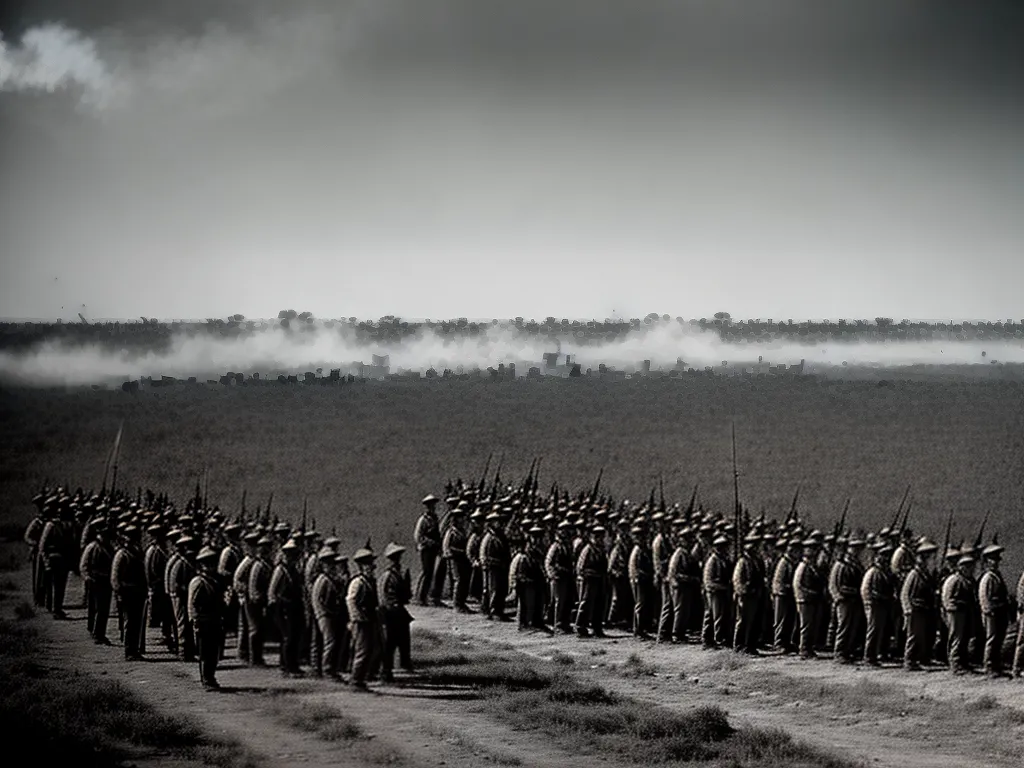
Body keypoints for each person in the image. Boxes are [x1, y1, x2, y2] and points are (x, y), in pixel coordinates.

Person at [347, 544, 382, 691]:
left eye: (371, 564)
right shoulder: (357, 582)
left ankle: (360, 678)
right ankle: (356, 680)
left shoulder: (370, 581)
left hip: (369, 620)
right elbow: (350, 601)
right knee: (362, 651)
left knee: (368, 650)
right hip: (361, 621)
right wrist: (357, 617)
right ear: (361, 566)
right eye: (367, 564)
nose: (371, 567)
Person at [189, 546, 224, 690]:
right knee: (205, 652)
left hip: (214, 620)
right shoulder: (198, 582)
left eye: (212, 563)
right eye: (206, 564)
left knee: (213, 652)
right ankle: (206, 679)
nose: (210, 566)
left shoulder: (214, 581)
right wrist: (195, 620)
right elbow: (192, 604)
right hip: (203, 621)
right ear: (201, 565)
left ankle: (211, 677)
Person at [901, 539, 938, 671]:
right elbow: (905, 594)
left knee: (924, 635)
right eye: (929, 557)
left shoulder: (926, 574)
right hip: (915, 611)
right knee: (914, 636)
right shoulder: (914, 574)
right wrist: (908, 610)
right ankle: (909, 660)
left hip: (924, 610)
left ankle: (922, 658)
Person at [269, 538, 305, 677]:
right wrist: (275, 607)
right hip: (283, 607)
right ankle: (286, 666)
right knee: (288, 637)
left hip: (294, 606)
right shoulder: (280, 570)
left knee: (295, 636)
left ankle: (293, 665)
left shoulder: (293, 569)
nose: (293, 557)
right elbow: (273, 590)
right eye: (290, 554)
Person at [111, 526, 147, 661]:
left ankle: (135, 649)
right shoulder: (122, 554)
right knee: (129, 623)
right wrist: (119, 593)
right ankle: (129, 650)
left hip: (138, 593)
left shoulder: (137, 552)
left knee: (137, 623)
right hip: (127, 594)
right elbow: (115, 577)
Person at [379, 542, 414, 681]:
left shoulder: (397, 573)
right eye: (395, 558)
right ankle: (386, 671)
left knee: (403, 640)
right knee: (390, 643)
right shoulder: (388, 576)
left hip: (397, 611)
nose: (397, 560)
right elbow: (385, 596)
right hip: (391, 612)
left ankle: (404, 664)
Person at [311, 549, 346, 681]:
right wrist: (325, 612)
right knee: (330, 641)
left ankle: (328, 668)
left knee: (329, 641)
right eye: (329, 563)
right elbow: (318, 600)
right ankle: (327, 669)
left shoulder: (329, 579)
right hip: (325, 615)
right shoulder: (323, 580)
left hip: (328, 614)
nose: (332, 565)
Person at [978, 540, 1011, 678]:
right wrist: (988, 611)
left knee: (998, 639)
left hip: (999, 612)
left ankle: (996, 664)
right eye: (993, 559)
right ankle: (989, 666)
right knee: (992, 639)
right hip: (992, 613)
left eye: (997, 559)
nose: (996, 561)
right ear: (986, 561)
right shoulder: (988, 577)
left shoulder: (996, 576)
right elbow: (984, 597)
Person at [831, 537, 866, 664]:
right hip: (845, 600)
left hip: (854, 600)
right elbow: (839, 586)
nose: (857, 551)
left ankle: (848, 651)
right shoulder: (841, 565)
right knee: (844, 626)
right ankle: (840, 652)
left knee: (853, 626)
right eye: (854, 548)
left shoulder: (856, 564)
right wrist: (854, 591)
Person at [861, 540, 896, 666]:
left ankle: (876, 654)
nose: (886, 558)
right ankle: (869, 657)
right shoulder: (873, 572)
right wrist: (884, 598)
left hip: (881, 605)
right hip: (874, 605)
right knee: (873, 631)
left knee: (879, 631)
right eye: (883, 555)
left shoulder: (883, 572)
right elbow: (869, 591)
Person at [941, 552, 976, 674]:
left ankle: (963, 662)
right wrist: (958, 606)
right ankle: (955, 663)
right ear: (961, 567)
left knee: (964, 637)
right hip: (956, 613)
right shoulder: (954, 580)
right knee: (956, 637)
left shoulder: (966, 581)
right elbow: (948, 599)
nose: (972, 570)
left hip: (964, 613)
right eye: (968, 567)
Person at [79, 520, 113, 645]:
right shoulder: (92, 547)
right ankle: (97, 633)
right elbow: (84, 564)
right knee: (96, 608)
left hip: (106, 581)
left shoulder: (109, 547)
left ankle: (100, 633)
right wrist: (87, 577)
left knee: (104, 609)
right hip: (95, 581)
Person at [667, 525, 700, 643]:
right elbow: (676, 574)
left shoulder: (685, 553)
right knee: (680, 610)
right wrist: (691, 579)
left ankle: (681, 633)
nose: (689, 541)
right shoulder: (679, 554)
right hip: (679, 586)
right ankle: (676, 634)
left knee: (684, 610)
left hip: (685, 585)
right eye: (687, 539)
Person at [733, 533, 764, 655]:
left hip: (755, 595)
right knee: (742, 621)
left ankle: (750, 646)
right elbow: (737, 581)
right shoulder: (742, 562)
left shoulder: (756, 561)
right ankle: (739, 646)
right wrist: (744, 591)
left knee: (753, 621)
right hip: (745, 596)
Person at [793, 537, 824, 659]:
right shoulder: (802, 567)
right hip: (805, 600)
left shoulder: (812, 566)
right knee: (806, 625)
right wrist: (809, 594)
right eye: (812, 549)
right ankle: (804, 649)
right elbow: (798, 585)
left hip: (811, 600)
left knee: (811, 625)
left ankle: (809, 648)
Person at [575, 525, 608, 638]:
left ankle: (597, 628)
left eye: (601, 536)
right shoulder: (588, 549)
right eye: (598, 536)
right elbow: (580, 567)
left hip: (600, 579)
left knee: (599, 604)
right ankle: (580, 627)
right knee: (586, 603)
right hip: (589, 580)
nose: (600, 539)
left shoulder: (602, 549)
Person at [246, 536, 274, 667]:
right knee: (255, 630)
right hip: (254, 602)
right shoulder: (258, 565)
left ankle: (258, 657)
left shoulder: (267, 564)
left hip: (261, 600)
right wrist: (258, 601)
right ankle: (254, 658)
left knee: (260, 630)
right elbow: (253, 586)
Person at [232, 532, 260, 663]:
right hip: (245, 598)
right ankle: (248, 654)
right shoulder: (248, 561)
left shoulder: (252, 560)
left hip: (245, 596)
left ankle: (244, 652)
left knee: (245, 627)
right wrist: (245, 591)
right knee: (249, 627)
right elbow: (237, 580)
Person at [546, 520, 576, 634]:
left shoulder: (568, 545)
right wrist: (553, 576)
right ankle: (557, 625)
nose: (566, 532)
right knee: (559, 602)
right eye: (563, 530)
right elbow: (549, 562)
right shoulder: (555, 546)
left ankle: (565, 623)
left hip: (567, 577)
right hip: (558, 578)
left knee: (567, 601)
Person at [702, 535, 732, 650]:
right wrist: (721, 587)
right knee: (715, 616)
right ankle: (716, 639)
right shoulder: (712, 561)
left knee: (716, 616)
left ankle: (711, 639)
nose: (725, 549)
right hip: (714, 592)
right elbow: (708, 581)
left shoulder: (722, 559)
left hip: (721, 591)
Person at [480, 511, 511, 621]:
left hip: (501, 567)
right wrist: (497, 563)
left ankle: (499, 610)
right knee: (493, 589)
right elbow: (485, 556)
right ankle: (494, 611)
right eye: (497, 521)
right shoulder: (489, 537)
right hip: (493, 568)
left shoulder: (500, 535)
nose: (500, 523)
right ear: (492, 523)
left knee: (501, 589)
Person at [772, 539, 800, 654]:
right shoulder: (783, 563)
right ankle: (779, 643)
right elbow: (779, 582)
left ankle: (787, 642)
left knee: (789, 619)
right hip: (782, 595)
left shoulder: (791, 562)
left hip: (789, 595)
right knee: (781, 619)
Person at [414, 495, 442, 606]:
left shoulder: (435, 518)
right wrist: (430, 542)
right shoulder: (423, 520)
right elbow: (418, 536)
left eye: (433, 505)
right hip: (426, 549)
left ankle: (426, 597)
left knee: (430, 573)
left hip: (433, 549)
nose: (432, 507)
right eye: (430, 505)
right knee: (426, 572)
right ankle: (420, 597)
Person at [442, 507, 471, 612]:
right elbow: (448, 547)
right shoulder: (451, 532)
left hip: (462, 558)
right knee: (458, 580)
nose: (462, 520)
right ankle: (457, 604)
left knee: (464, 580)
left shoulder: (462, 531)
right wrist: (460, 551)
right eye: (460, 518)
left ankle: (462, 602)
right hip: (454, 558)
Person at [629, 524, 655, 640]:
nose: (643, 539)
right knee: (640, 605)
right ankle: (638, 630)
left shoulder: (642, 549)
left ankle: (640, 629)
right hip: (638, 580)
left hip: (642, 580)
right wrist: (648, 575)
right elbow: (636, 570)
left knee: (642, 605)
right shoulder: (637, 551)